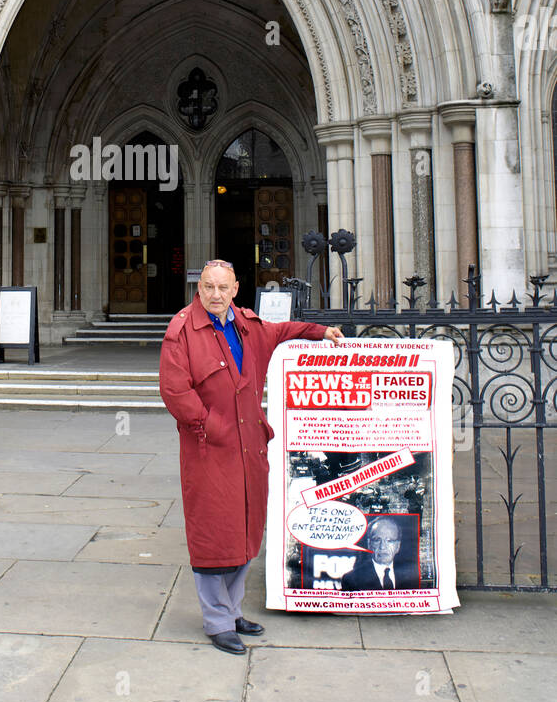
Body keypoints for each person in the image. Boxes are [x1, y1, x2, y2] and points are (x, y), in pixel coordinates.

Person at [159, 259, 344, 654]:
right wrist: (209, 426)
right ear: (199, 288)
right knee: (212, 535)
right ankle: (217, 621)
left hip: (250, 448)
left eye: (222, 287)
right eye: (208, 287)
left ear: (236, 288)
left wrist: (320, 332)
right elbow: (175, 391)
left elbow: (282, 331)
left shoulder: (247, 326)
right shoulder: (182, 330)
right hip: (209, 450)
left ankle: (233, 610)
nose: (215, 294)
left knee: (244, 528)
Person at [340, 516, 420, 591]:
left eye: (389, 541)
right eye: (377, 540)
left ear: (398, 546)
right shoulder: (352, 579)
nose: (382, 547)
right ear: (369, 544)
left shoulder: (412, 576)